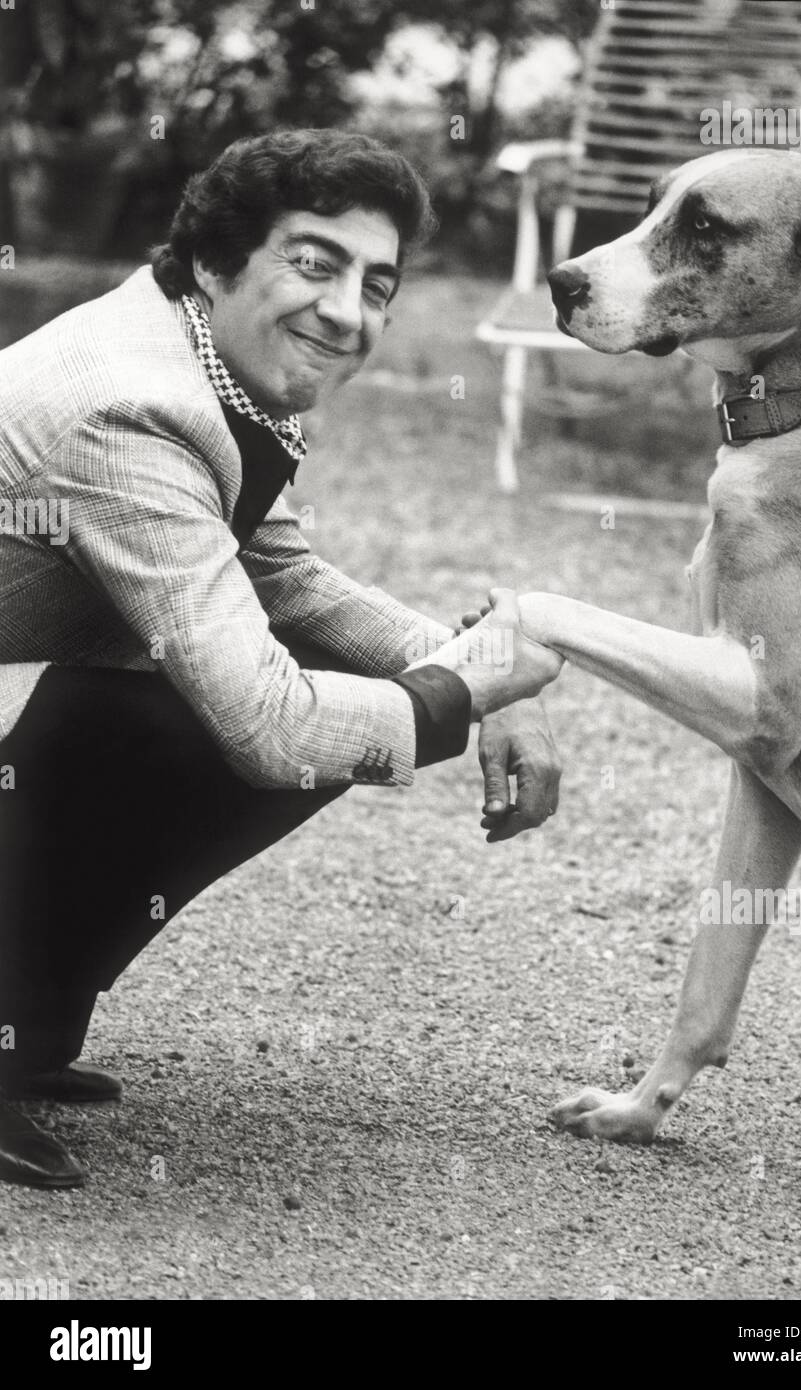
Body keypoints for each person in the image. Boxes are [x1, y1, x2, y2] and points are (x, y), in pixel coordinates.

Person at [0, 128, 563, 1188]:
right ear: (216, 261)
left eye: (377, 282)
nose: (349, 311)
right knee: (255, 720)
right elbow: (272, 734)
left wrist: (478, 671)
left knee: (277, 687)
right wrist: (464, 687)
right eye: (314, 262)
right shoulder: (134, 405)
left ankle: (17, 1024)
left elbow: (293, 583)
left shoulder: (197, 354)